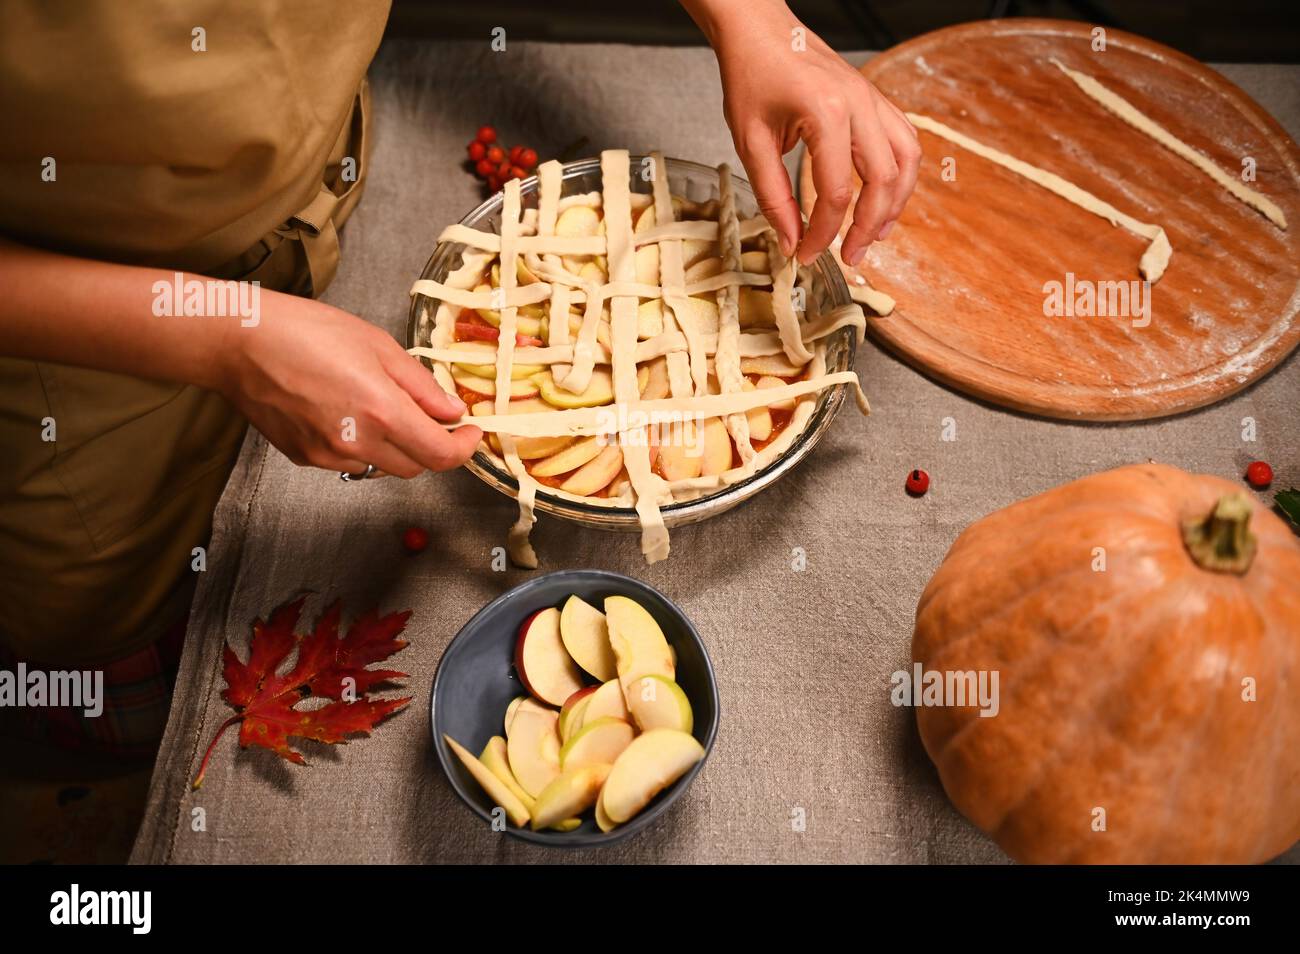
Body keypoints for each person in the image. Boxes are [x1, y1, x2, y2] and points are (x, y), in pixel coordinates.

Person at [0, 0, 919, 755]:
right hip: (80, 378)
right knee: (138, 712)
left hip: (320, 193)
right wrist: (225, 339)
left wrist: (752, 18)